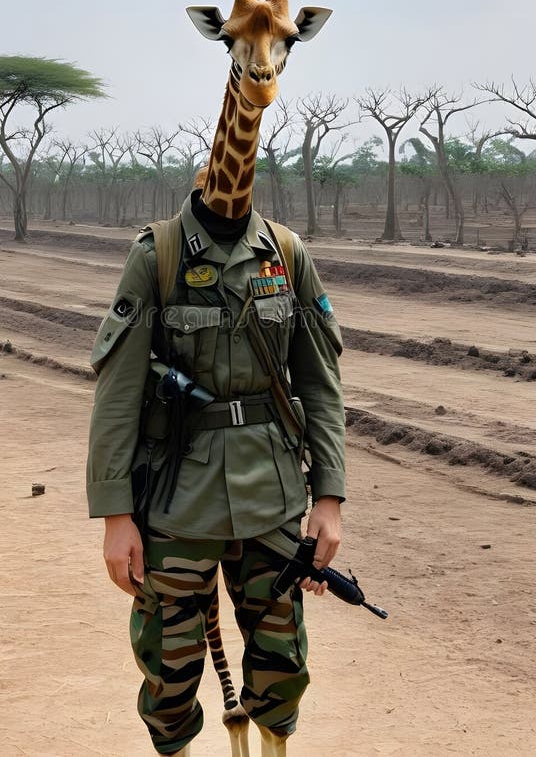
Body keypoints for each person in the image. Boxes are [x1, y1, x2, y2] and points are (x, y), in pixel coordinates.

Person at [86, 185, 346, 756]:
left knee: (282, 660)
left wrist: (329, 496)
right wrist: (115, 516)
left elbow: (319, 383)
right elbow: (118, 391)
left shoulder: (286, 252)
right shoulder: (159, 255)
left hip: (272, 497)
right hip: (178, 500)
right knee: (168, 666)